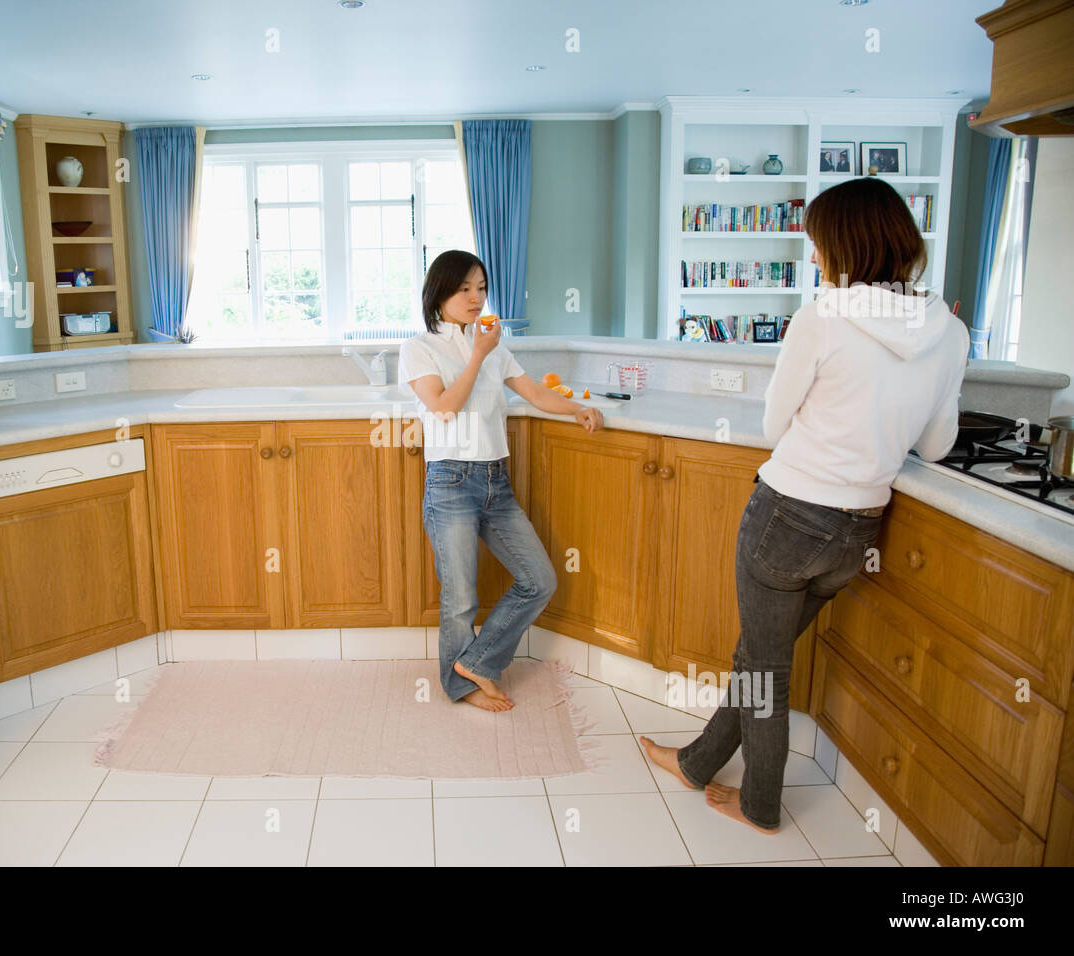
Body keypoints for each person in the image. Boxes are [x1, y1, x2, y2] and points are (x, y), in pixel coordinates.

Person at [641, 177, 969, 832]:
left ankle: (760, 802)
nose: (814, 256)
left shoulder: (822, 317)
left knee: (764, 668)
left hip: (787, 519)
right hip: (858, 533)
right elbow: (935, 445)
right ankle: (698, 762)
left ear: (844, 242)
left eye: (817, 242)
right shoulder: (948, 329)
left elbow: (772, 426)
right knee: (759, 656)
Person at [398, 250, 604, 712]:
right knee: (461, 597)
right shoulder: (419, 348)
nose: (476, 297)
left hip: (496, 478)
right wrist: (477, 355)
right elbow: (446, 407)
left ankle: (476, 663)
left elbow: (533, 392)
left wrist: (578, 409)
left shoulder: (491, 343)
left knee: (541, 579)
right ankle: (462, 686)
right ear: (440, 293)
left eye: (481, 287)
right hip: (451, 480)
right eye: (464, 288)